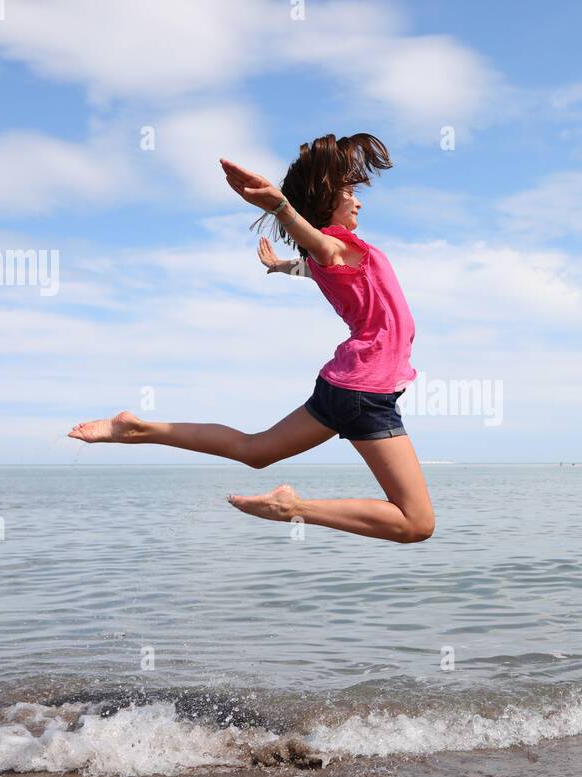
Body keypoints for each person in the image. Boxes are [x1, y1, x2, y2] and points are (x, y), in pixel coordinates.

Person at [69, 134, 434, 543]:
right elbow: (317, 246)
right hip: (366, 389)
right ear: (326, 201)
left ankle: (136, 429)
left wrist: (280, 267)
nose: (358, 201)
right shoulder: (335, 247)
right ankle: (293, 508)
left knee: (255, 451)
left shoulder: (338, 258)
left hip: (345, 384)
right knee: (415, 523)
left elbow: (314, 264)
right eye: (349, 192)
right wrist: (279, 206)